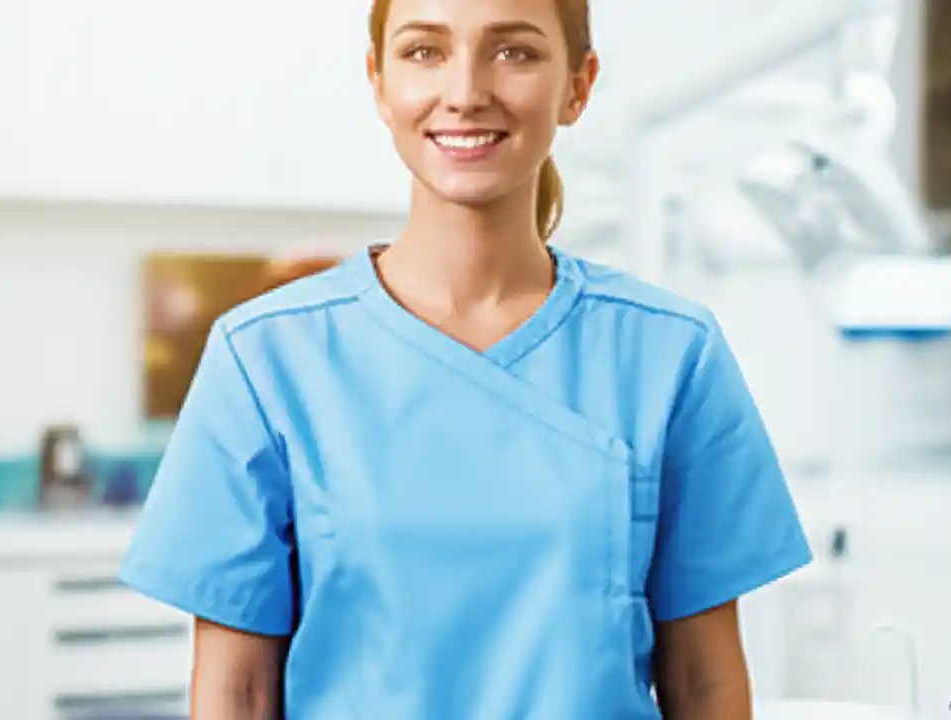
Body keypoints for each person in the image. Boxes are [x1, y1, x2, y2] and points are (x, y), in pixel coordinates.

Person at [118, 0, 812, 717]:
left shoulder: (671, 355)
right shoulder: (264, 359)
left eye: (514, 52)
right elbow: (238, 690)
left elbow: (705, 682)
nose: (466, 91)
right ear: (378, 83)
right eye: (424, 52)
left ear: (578, 85)